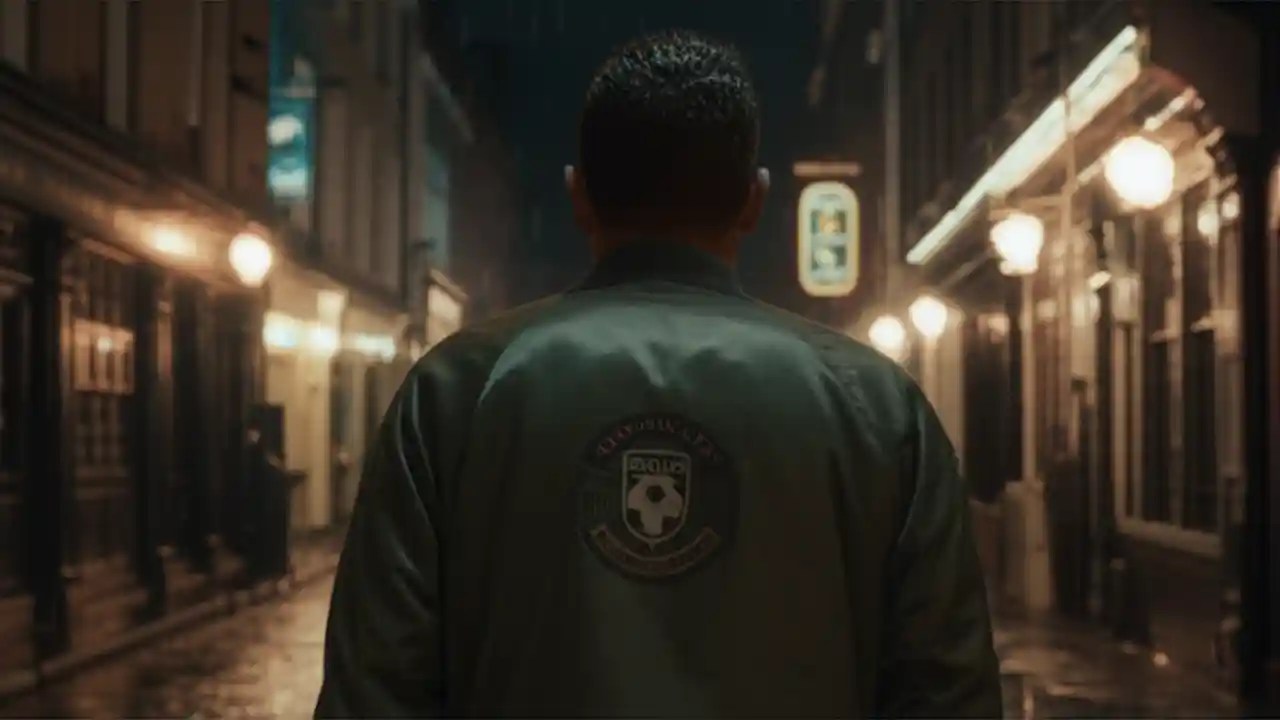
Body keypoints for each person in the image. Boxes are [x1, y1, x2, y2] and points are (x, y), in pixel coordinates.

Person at [315, 29, 1002, 719]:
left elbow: (375, 689)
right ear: (754, 202)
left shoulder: (456, 392)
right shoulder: (878, 407)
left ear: (579, 196)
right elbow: (947, 689)